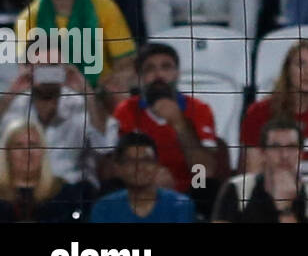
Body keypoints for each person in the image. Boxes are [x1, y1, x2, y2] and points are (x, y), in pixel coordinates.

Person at [110, 42, 223, 199]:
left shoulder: (199, 109)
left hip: (188, 191)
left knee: (206, 186)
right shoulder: (126, 110)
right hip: (139, 189)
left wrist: (179, 123)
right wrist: (147, 178)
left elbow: (204, 170)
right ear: (140, 77)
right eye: (150, 69)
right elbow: (115, 167)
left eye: (166, 67)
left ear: (177, 73)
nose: (159, 75)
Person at [239, 40, 308, 192]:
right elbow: (254, 171)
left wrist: (302, 195)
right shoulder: (259, 113)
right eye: (300, 64)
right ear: (288, 71)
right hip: (268, 197)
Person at [0, 60, 116, 190]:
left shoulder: (82, 103)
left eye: (53, 66)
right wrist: (9, 96)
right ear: (27, 69)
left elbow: (105, 148)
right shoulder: (13, 103)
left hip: (72, 190)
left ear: (65, 68)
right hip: (21, 191)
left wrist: (87, 93)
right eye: (42, 66)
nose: (47, 73)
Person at [213, 119, 308, 223]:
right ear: (263, 153)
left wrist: (285, 209)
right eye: (275, 147)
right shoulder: (237, 188)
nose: (284, 155)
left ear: (301, 154)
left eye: (291, 147)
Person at [0, 119, 95, 222]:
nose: (27, 152)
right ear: (7, 153)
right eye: (18, 145)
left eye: (33, 145)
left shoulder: (65, 194)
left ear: (43, 151)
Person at [90, 132, 195, 223]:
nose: (139, 167)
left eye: (146, 160)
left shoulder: (180, 205)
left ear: (157, 165)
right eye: (131, 161)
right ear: (118, 168)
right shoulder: (105, 208)